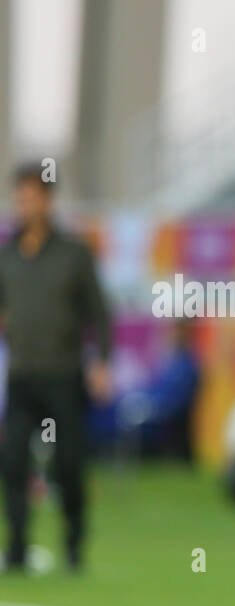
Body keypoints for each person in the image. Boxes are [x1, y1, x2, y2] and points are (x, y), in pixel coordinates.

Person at [0, 163, 113, 572]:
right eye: (19, 197)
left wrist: (101, 361)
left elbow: (98, 313)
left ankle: (73, 547)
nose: (23, 204)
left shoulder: (73, 254)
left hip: (62, 375)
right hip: (21, 376)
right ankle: (16, 549)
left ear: (47, 200)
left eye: (30, 196)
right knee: (13, 461)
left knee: (68, 463)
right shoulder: (8, 255)